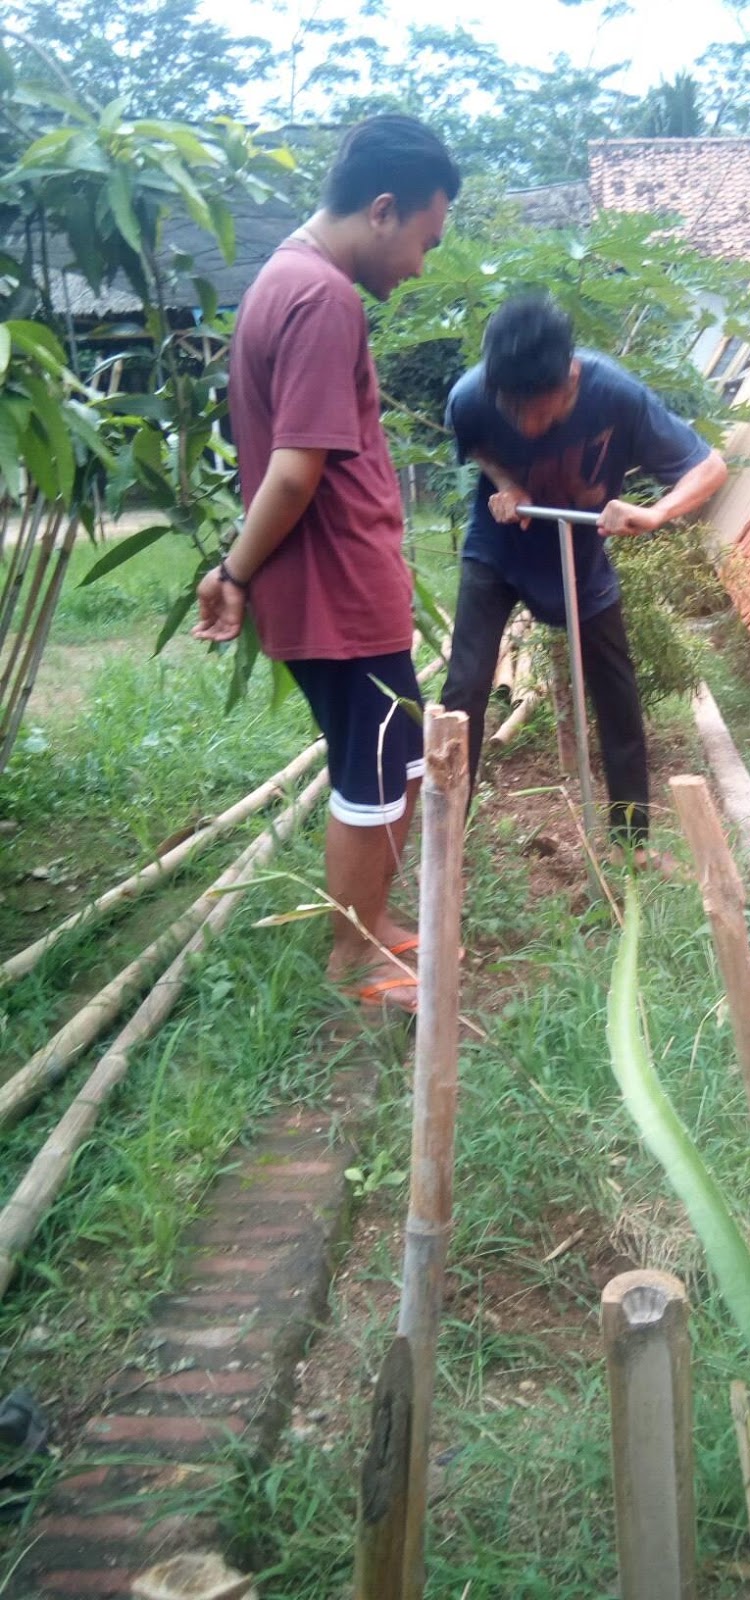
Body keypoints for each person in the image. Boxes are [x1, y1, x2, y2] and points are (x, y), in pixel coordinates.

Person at [192, 115, 460, 1011]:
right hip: (338, 584)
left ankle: (370, 921)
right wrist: (233, 574)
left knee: (391, 757)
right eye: (425, 239)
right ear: (382, 210)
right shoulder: (324, 297)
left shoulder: (286, 278)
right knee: (375, 767)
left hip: (339, 580)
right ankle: (352, 961)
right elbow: (296, 471)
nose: (422, 264)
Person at [441, 293, 727, 860]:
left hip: (581, 554)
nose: (523, 423)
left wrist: (656, 512)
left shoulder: (616, 395)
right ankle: (450, 837)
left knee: (616, 693)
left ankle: (631, 846)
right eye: (511, 408)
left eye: (538, 410)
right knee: (464, 687)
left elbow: (710, 466)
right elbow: (476, 444)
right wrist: (505, 481)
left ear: (570, 377)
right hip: (499, 548)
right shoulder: (472, 396)